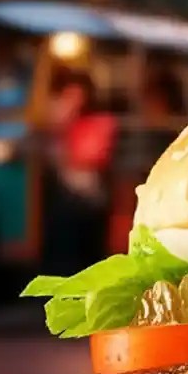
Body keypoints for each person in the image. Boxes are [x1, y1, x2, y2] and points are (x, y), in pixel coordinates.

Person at [42, 70, 116, 275]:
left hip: (89, 197)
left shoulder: (100, 122)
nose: (74, 101)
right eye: (68, 96)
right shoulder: (52, 124)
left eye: (78, 95)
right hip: (60, 197)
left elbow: (93, 156)